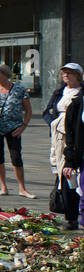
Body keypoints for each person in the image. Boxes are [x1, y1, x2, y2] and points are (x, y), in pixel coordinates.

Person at [0, 63, 34, 197]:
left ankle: (22, 188)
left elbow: (28, 111)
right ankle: (3, 187)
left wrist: (23, 126)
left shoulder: (19, 90)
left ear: (5, 74)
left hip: (14, 129)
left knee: (16, 157)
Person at [53, 63, 84, 230]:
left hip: (75, 136)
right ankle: (70, 215)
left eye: (70, 73)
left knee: (73, 175)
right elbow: (50, 109)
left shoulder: (80, 95)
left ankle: (75, 215)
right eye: (64, 73)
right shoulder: (59, 92)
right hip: (61, 137)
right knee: (64, 174)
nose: (66, 76)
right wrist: (52, 121)